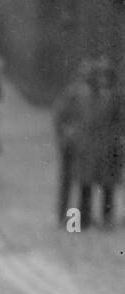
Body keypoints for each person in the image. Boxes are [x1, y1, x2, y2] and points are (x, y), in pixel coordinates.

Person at [74, 60, 125, 229]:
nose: (102, 80)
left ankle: (107, 218)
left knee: (108, 185)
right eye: (100, 76)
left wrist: (116, 138)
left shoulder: (117, 97)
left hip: (109, 146)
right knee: (85, 184)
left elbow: (120, 121)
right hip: (90, 147)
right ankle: (83, 219)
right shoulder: (88, 95)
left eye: (106, 76)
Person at [53, 61, 94, 225]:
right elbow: (60, 116)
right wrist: (65, 133)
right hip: (72, 143)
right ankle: (66, 217)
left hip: (85, 144)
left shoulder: (92, 94)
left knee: (82, 181)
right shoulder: (71, 93)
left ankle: (81, 217)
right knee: (68, 181)